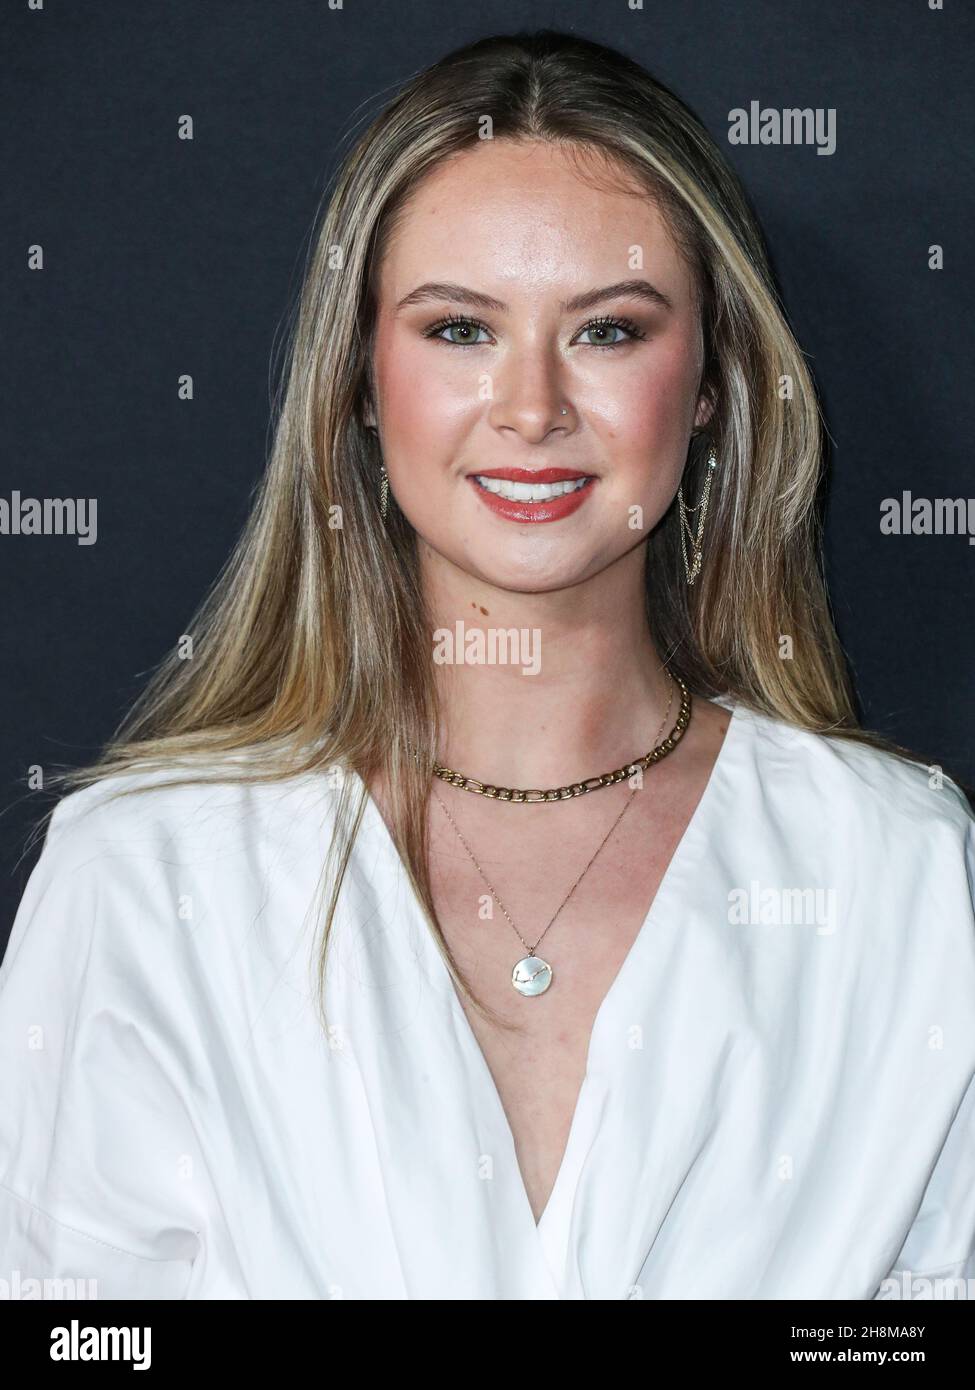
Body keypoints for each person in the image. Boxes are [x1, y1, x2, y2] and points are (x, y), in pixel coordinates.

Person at [1, 29, 973, 1302]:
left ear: (711, 384)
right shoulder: (140, 877)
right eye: (460, 327)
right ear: (360, 376)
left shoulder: (894, 872)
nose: (530, 407)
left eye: (609, 331)